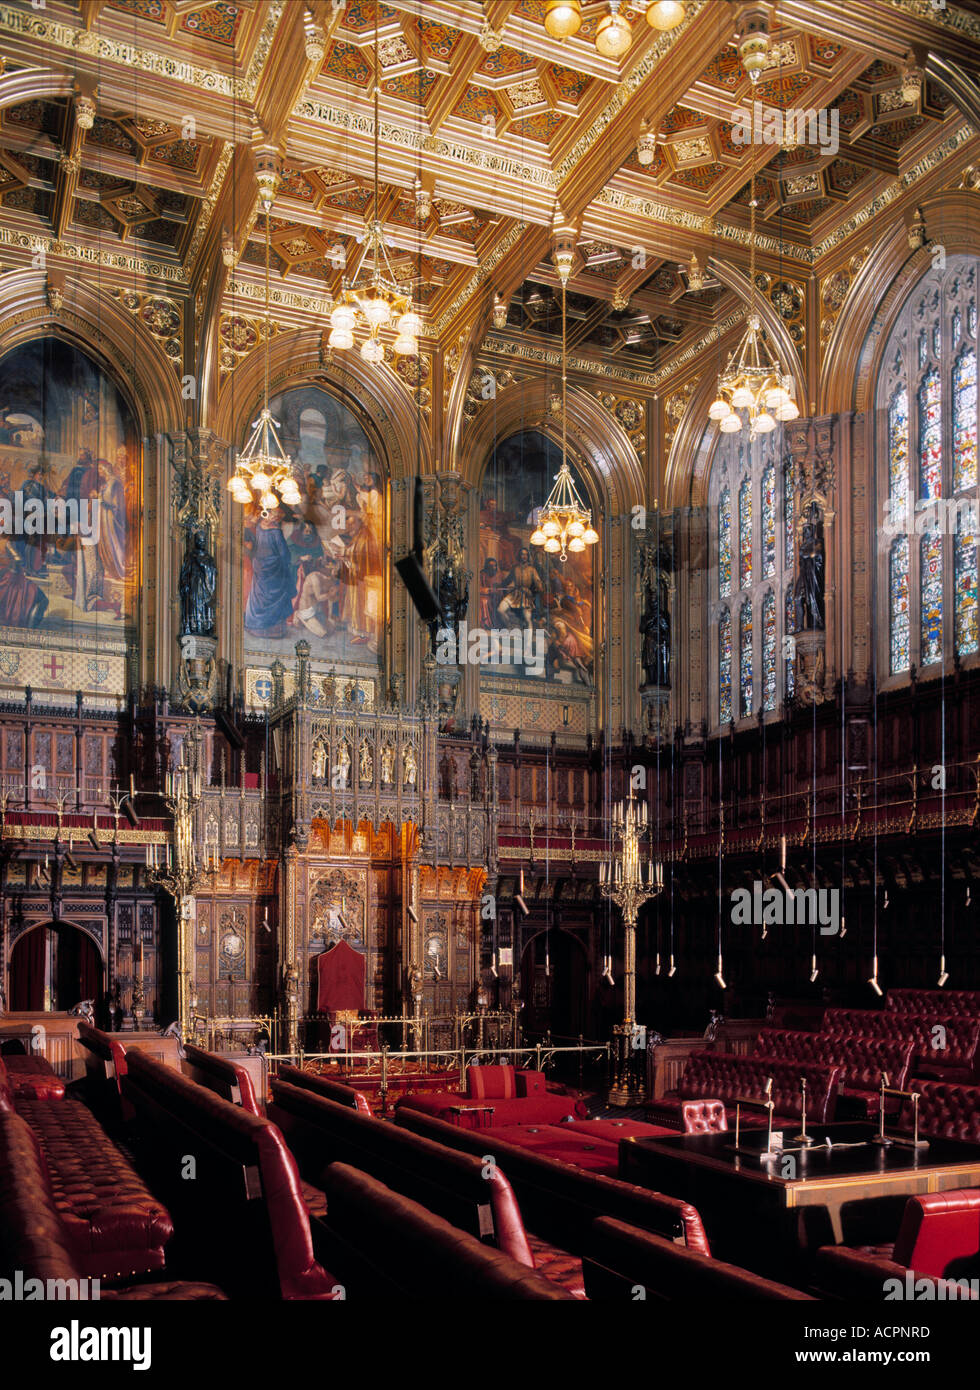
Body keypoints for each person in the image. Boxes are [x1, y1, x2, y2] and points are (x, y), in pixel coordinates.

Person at [244, 509, 294, 638]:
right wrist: (288, 561)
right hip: (273, 568)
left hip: (259, 565)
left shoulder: (260, 526)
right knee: (275, 596)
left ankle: (256, 626)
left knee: (259, 595)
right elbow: (284, 554)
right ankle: (272, 629)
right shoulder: (276, 531)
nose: (275, 516)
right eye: (274, 514)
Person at [498, 546, 542, 630]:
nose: (524, 556)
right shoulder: (515, 568)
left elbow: (538, 583)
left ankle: (528, 643)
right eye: (522, 554)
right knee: (500, 610)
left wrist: (538, 588)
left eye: (526, 555)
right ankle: (510, 627)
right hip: (514, 594)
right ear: (519, 556)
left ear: (528, 556)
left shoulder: (532, 569)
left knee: (527, 619)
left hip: (526, 596)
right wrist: (499, 585)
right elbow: (507, 580)